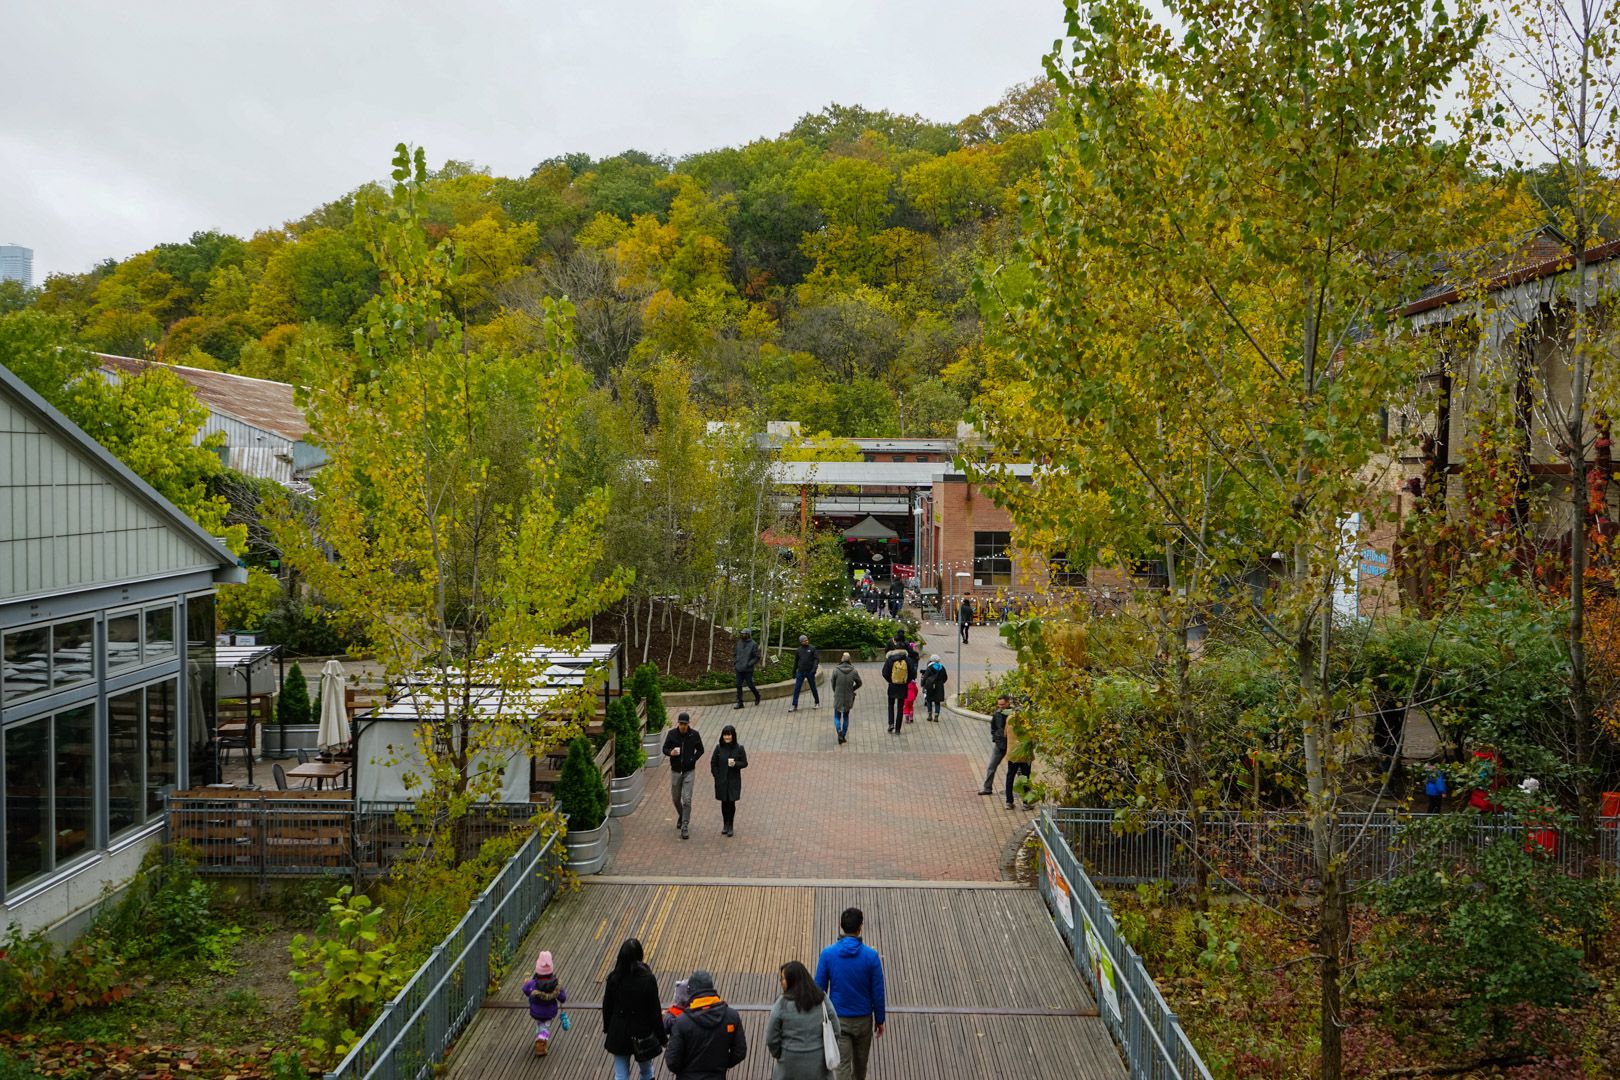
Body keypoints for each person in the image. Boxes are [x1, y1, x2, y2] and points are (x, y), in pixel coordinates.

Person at [814, 907, 885, 1080]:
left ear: (841, 925)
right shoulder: (871, 956)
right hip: (863, 1020)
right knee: (861, 1065)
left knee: (842, 1065)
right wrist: (880, 1019)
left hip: (839, 1019)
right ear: (861, 926)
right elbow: (878, 991)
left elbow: (818, 990)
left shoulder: (828, 954)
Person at [602, 937, 666, 1080]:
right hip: (642, 1032)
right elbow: (655, 1012)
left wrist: (608, 1027)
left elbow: (607, 1006)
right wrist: (662, 1038)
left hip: (618, 1032)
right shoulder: (648, 979)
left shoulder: (614, 978)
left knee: (621, 1074)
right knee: (647, 1071)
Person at [666, 969, 748, 1079]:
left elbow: (672, 1062)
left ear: (690, 991)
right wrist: (722, 1064)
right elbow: (740, 1052)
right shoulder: (731, 1016)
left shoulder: (681, 1022)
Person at [767, 959, 839, 1080]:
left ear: (792, 980)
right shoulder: (822, 999)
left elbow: (771, 1037)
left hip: (789, 1063)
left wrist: (779, 1053)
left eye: (783, 978)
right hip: (818, 1063)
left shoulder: (781, 1003)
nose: (781, 982)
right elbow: (836, 1029)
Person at [663, 712, 704, 840]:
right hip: (676, 771)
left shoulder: (694, 735)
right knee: (675, 798)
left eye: (685, 724)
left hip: (689, 772)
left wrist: (693, 759)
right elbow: (664, 748)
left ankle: (685, 826)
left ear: (688, 724)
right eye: (681, 724)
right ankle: (682, 815)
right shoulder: (672, 734)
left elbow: (701, 749)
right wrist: (671, 753)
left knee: (687, 799)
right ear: (678, 723)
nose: (683, 726)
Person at [521, 949, 568, 1057]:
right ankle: (541, 1042)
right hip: (549, 1012)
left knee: (540, 1023)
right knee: (545, 1026)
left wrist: (527, 983)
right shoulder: (555, 985)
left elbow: (525, 990)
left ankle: (540, 1037)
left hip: (536, 1011)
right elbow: (563, 998)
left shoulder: (533, 984)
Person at [710, 724, 749, 836]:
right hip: (721, 780)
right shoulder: (718, 748)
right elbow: (713, 763)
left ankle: (730, 824)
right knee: (724, 802)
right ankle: (725, 824)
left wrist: (735, 764)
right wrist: (716, 775)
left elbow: (745, 763)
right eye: (725, 735)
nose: (727, 738)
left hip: (733, 781)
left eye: (729, 735)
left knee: (731, 803)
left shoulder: (739, 748)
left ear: (733, 736)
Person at [880, 635, 915, 735]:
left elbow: (884, 673)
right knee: (900, 707)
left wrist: (890, 680)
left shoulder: (890, 659)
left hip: (892, 686)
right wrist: (906, 682)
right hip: (903, 686)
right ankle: (898, 729)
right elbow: (913, 674)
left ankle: (891, 724)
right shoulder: (908, 660)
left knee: (891, 705)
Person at [978, 694, 1010, 796]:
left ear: (1008, 702)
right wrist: (995, 738)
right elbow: (993, 727)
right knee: (991, 767)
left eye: (1003, 704)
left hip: (1012, 745)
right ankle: (987, 788)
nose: (1001, 707)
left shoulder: (1013, 714)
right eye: (999, 704)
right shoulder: (997, 714)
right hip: (1000, 744)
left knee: (1017, 770)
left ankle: (1024, 790)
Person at [1004, 704, 1034, 810]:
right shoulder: (1026, 721)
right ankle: (1026, 803)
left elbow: (1005, 734)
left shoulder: (1009, 719)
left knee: (1010, 776)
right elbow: (1032, 736)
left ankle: (1009, 801)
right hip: (1024, 754)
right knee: (1026, 777)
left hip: (1012, 753)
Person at [830, 652, 861, 745]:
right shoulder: (854, 671)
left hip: (838, 696)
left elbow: (832, 683)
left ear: (842, 659)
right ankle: (843, 735)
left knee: (836, 716)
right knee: (846, 716)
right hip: (848, 697)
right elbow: (859, 683)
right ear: (850, 660)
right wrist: (852, 689)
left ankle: (838, 730)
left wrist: (835, 691)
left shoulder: (836, 670)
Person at [791, 635, 820, 711]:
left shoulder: (812, 648)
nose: (806, 641)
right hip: (800, 672)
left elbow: (816, 660)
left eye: (806, 640)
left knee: (813, 687)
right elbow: (796, 661)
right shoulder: (798, 650)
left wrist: (814, 669)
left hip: (810, 672)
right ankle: (794, 705)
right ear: (801, 642)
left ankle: (817, 702)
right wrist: (794, 672)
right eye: (804, 641)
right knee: (797, 688)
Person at [735, 629, 762, 709]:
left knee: (750, 685)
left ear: (748, 634)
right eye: (741, 634)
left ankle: (757, 695)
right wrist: (735, 661)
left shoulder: (753, 644)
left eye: (744, 634)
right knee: (738, 684)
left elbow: (757, 657)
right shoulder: (739, 642)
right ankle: (740, 703)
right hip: (739, 668)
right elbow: (735, 653)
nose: (742, 635)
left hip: (747, 669)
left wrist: (749, 664)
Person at [919, 654, 947, 722]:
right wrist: (941, 682)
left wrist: (922, 684)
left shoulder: (930, 667)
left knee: (929, 700)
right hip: (939, 686)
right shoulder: (942, 667)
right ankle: (936, 716)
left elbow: (925, 677)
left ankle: (929, 715)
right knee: (937, 701)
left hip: (930, 686)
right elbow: (945, 677)